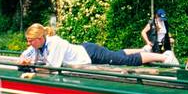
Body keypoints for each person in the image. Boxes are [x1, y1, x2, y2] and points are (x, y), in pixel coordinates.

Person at [18, 24, 176, 68]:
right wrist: (24, 59)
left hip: (90, 54)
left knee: (124, 61)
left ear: (39, 38)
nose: (29, 44)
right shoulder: (37, 46)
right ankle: (143, 50)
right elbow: (25, 55)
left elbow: (51, 68)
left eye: (31, 40)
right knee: (116, 55)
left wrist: (31, 65)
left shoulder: (55, 43)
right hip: (86, 50)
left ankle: (164, 56)